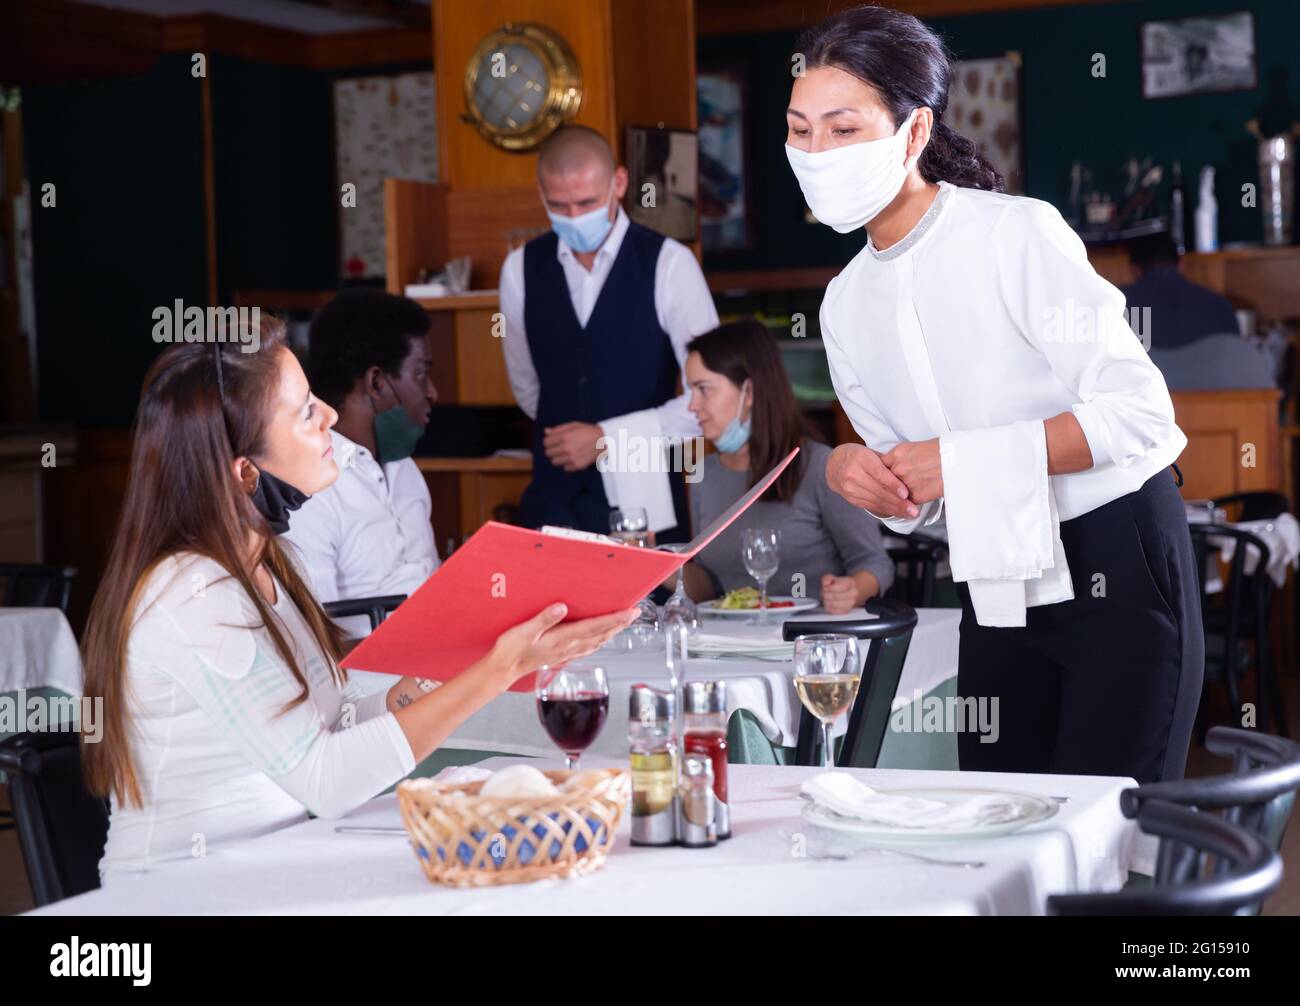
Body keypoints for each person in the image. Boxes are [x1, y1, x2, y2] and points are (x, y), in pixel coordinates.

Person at [787, 7, 1202, 783]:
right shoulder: (843, 306)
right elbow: (929, 502)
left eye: (843, 130)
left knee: (1110, 838)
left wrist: (958, 461)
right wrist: (865, 479)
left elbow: (1140, 414)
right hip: (992, 577)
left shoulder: (1017, 235)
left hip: (1115, 552)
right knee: (1002, 820)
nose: (815, 153)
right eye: (799, 129)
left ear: (913, 135)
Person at [80, 317, 637, 879]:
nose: (330, 417)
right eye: (304, 412)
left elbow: (330, 720)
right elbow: (326, 779)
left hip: (275, 868)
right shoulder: (193, 595)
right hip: (181, 893)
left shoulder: (270, 561)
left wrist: (431, 679)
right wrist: (498, 670)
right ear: (246, 473)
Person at [499, 125, 719, 542]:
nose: (575, 217)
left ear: (618, 183)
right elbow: (528, 388)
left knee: (647, 606)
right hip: (553, 496)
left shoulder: (670, 264)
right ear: (541, 194)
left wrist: (607, 439)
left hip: (646, 497)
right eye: (559, 206)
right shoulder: (519, 269)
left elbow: (709, 400)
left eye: (586, 202)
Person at [669, 319, 894, 613]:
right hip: (730, 645)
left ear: (748, 393)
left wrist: (852, 591)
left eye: (703, 389)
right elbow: (710, 588)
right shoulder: (703, 474)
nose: (692, 406)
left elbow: (875, 563)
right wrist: (646, 563)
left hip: (811, 640)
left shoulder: (820, 466)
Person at [283, 289, 438, 640]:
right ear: (377, 383)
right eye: (421, 374)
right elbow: (314, 641)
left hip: (439, 666)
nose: (432, 392)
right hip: (370, 685)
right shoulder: (310, 488)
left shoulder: (405, 470)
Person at [1120, 231, 1240, 350]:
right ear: (1181, 264)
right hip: (1204, 368)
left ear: (1134, 270)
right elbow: (1234, 358)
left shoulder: (1118, 306)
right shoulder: (1220, 305)